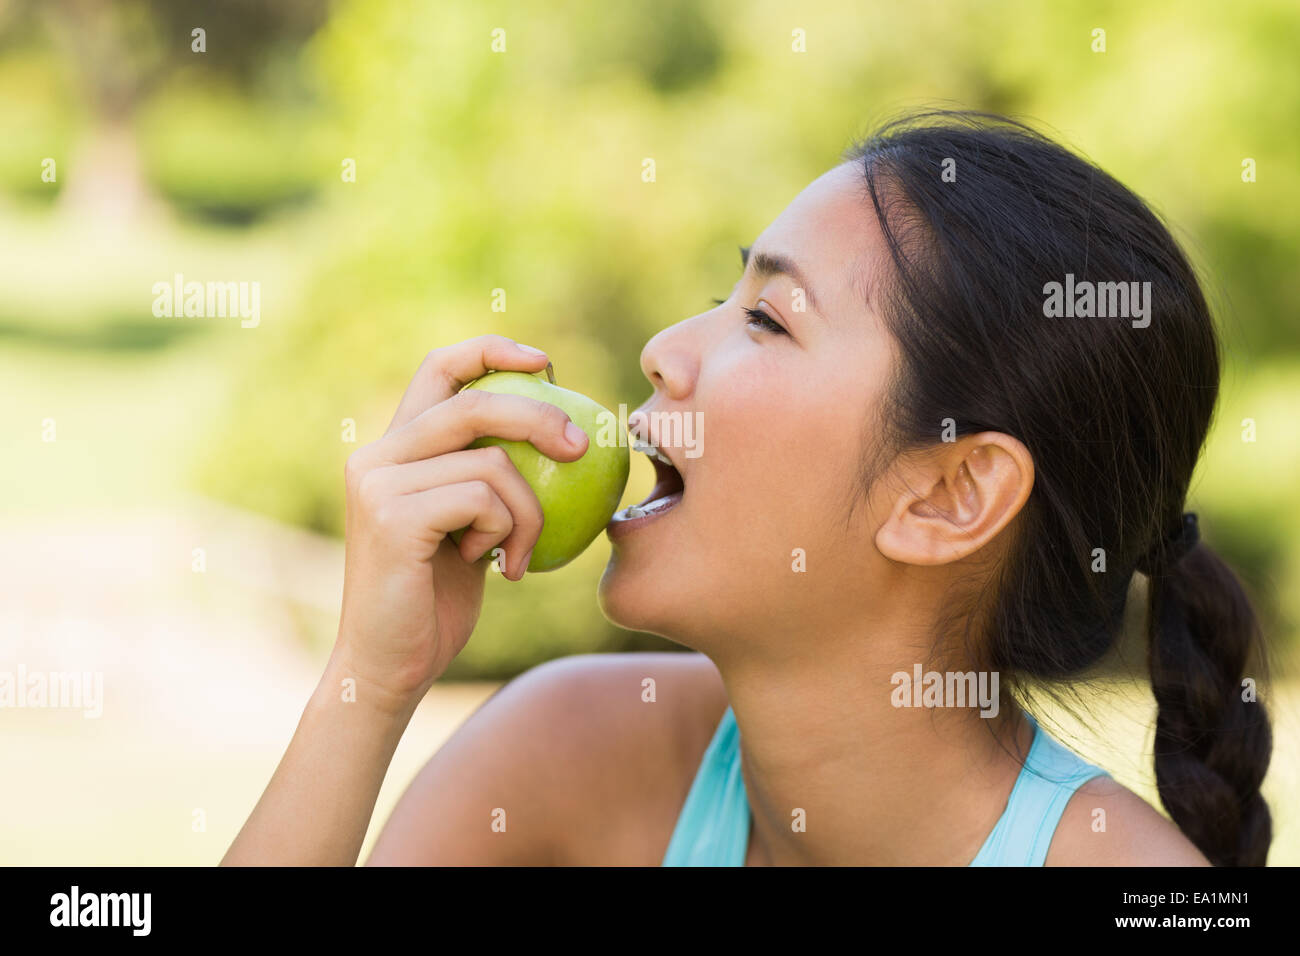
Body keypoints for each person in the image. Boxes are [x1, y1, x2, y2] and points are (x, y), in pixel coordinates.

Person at [223, 110, 1272, 867]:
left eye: (769, 320)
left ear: (949, 493)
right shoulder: (570, 753)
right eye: (721, 298)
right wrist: (370, 680)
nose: (664, 350)